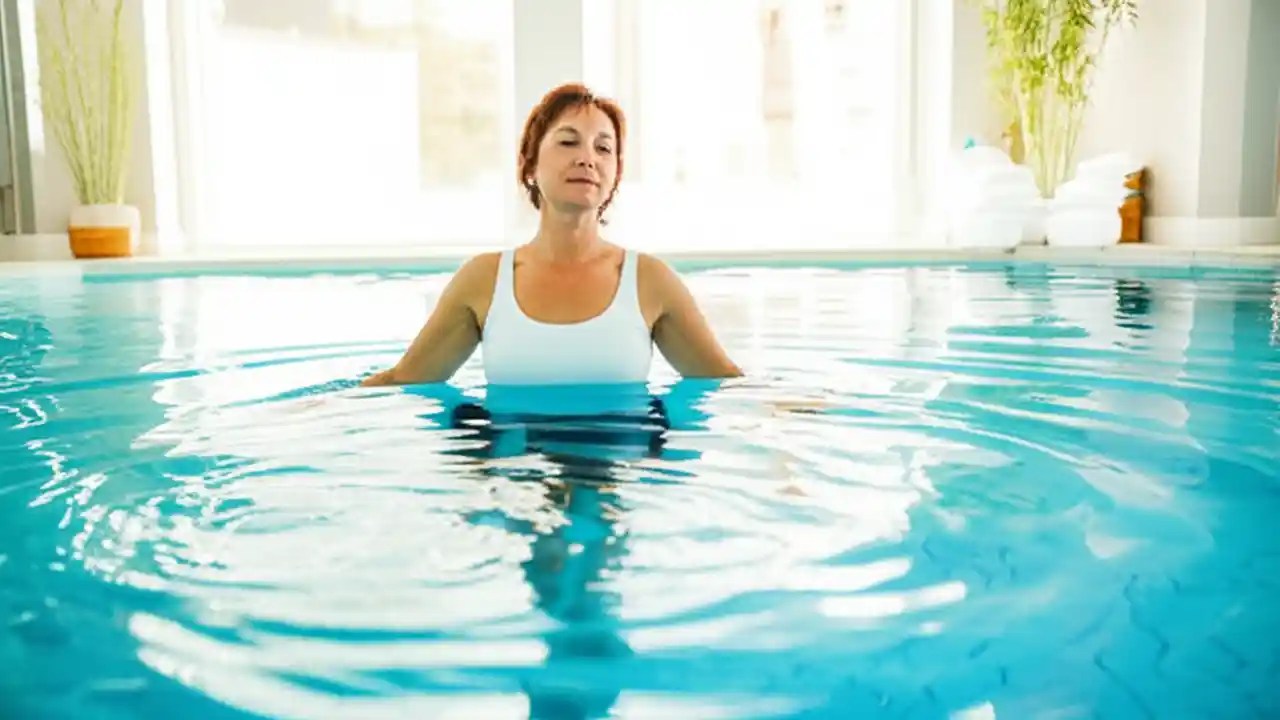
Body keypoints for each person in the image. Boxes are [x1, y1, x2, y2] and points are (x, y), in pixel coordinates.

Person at [362, 82, 742, 387]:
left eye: (603, 148)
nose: (587, 158)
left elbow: (727, 386)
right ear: (530, 163)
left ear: (615, 175)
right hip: (515, 472)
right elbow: (404, 381)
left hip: (616, 474)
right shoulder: (484, 280)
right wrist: (314, 407)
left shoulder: (650, 282)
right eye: (568, 141)